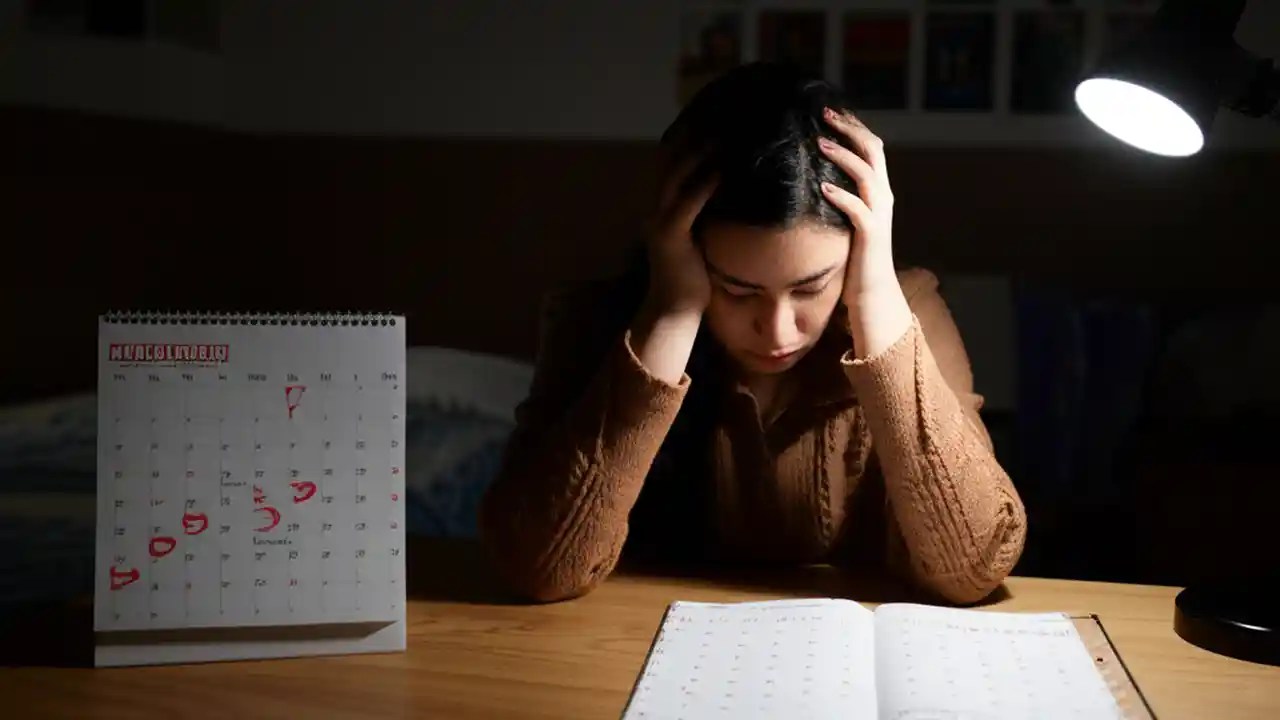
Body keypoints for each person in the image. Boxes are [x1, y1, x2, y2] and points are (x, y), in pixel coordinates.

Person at [478, 61, 1027, 605]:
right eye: (738, 290)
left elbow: (973, 567)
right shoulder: (600, 323)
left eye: (812, 286)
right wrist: (671, 316)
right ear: (682, 252)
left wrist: (874, 296)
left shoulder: (904, 313)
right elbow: (540, 568)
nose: (777, 330)